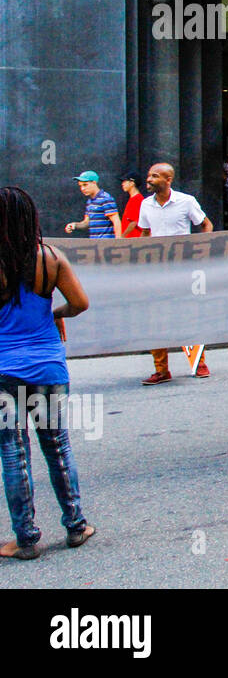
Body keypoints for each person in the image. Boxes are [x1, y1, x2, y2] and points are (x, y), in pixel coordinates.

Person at [0, 186, 95, 559]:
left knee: (12, 452)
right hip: (46, 366)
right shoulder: (50, 258)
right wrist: (53, 314)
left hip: (3, 370)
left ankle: (25, 540)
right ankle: (76, 526)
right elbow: (79, 304)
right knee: (56, 446)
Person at [137, 163, 214, 385]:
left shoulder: (186, 201)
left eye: (155, 176)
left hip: (184, 270)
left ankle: (199, 362)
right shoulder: (145, 205)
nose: (149, 179)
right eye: (148, 175)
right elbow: (144, 233)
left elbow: (206, 225)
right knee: (155, 317)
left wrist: (201, 251)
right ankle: (161, 370)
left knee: (188, 314)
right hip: (157, 271)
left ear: (168, 180)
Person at [63, 172, 120, 239]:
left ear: (94, 182)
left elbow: (116, 221)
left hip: (107, 243)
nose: (82, 189)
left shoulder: (106, 198)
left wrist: (118, 242)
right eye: (80, 186)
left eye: (85, 185)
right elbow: (86, 223)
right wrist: (74, 225)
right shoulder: (89, 202)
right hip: (94, 244)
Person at [118, 172, 144, 238]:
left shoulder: (138, 199)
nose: (122, 184)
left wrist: (122, 237)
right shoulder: (132, 199)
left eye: (125, 181)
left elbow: (134, 222)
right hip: (130, 241)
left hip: (134, 241)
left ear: (132, 183)